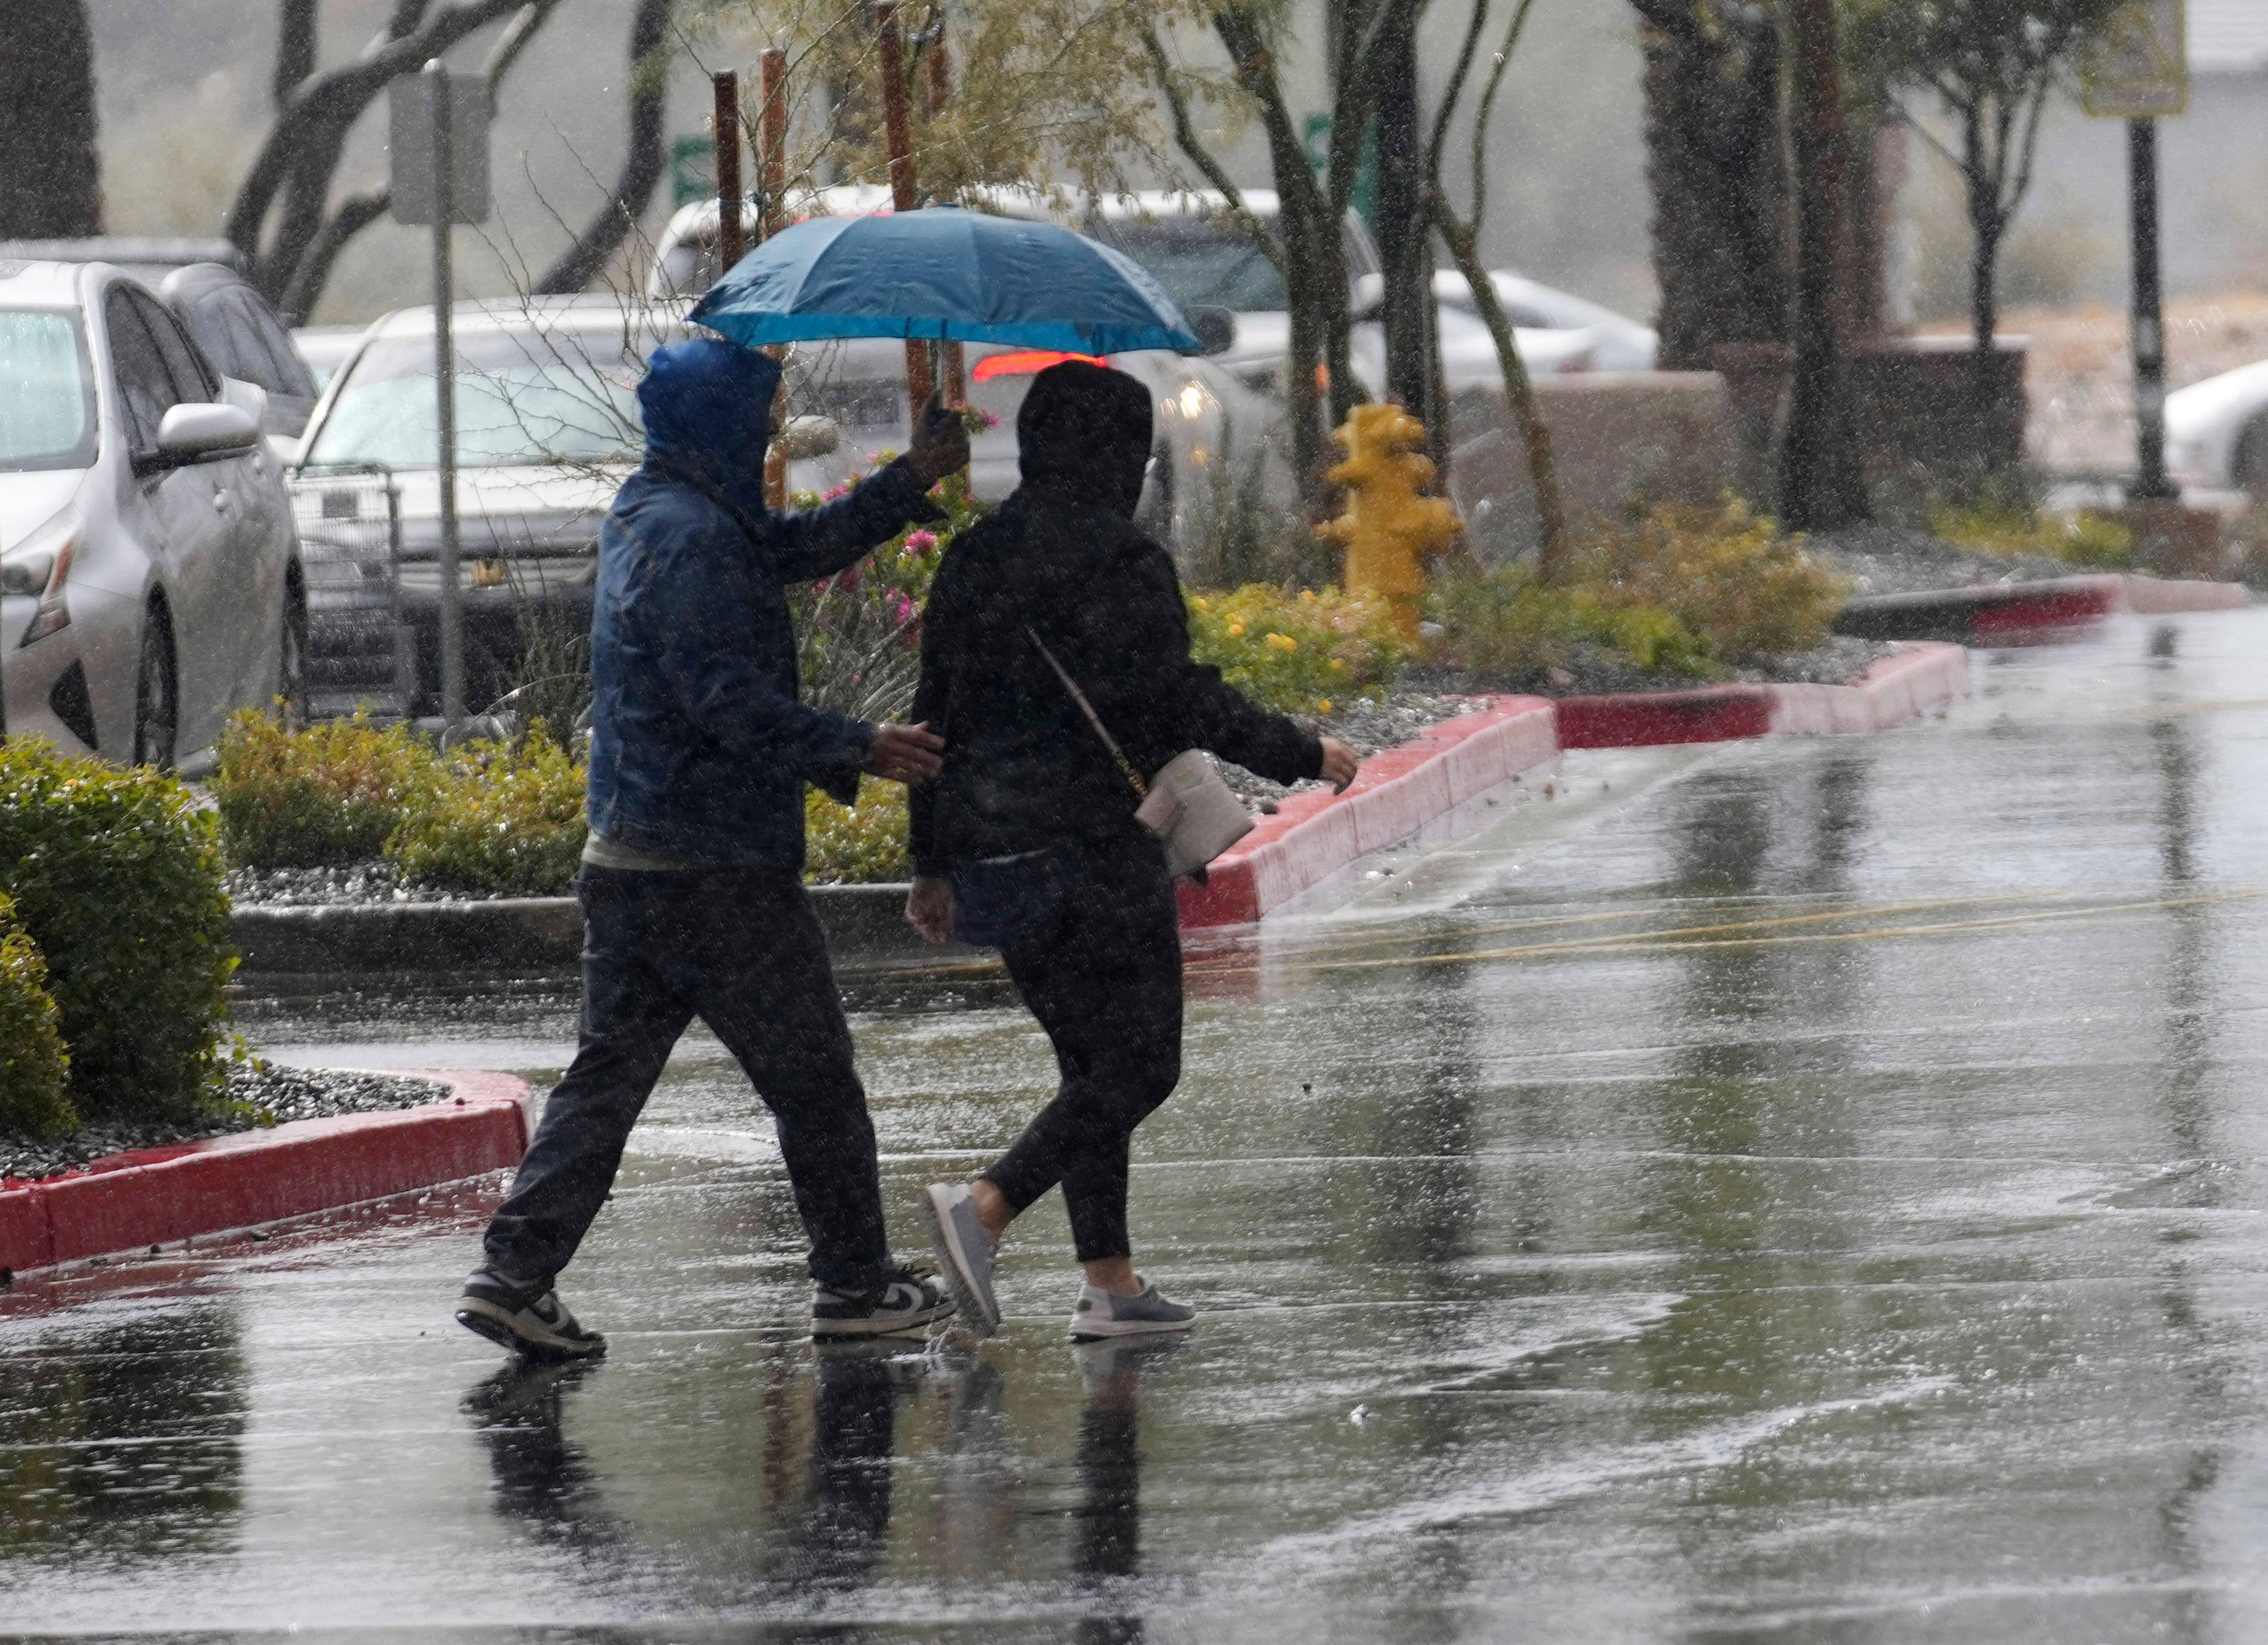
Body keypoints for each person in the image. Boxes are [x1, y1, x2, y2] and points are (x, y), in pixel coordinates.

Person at [456, 335, 969, 1359]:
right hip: (714, 869)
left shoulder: (664, 511)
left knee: (606, 1082)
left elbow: (792, 550)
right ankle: (855, 1287)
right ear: (722, 423)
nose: (772, 428)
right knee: (816, 1079)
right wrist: (858, 744)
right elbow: (725, 701)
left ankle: (514, 1273)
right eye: (762, 412)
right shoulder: (693, 540)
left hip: (634, 859)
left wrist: (908, 478)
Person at [904, 360, 1359, 1342]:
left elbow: (930, 721)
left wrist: (930, 862)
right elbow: (1179, 704)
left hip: (993, 854)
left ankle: (1110, 1281)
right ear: (1117, 455)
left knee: (1089, 1065)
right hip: (1095, 852)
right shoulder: (1124, 561)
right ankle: (984, 1207)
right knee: (1144, 1063)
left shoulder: (974, 558)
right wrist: (1303, 751)